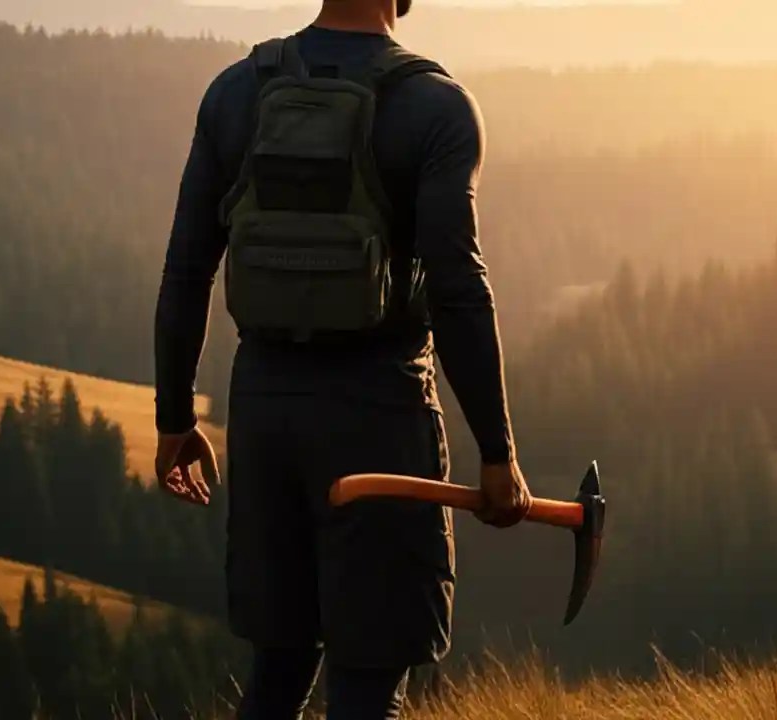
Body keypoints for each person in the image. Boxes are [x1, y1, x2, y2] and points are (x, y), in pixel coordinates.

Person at [153, 0, 532, 715]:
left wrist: (173, 418)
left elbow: (185, 271)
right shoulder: (434, 106)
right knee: (367, 678)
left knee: (279, 667)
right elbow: (457, 287)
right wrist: (497, 450)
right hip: (379, 417)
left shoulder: (236, 92)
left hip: (264, 414)